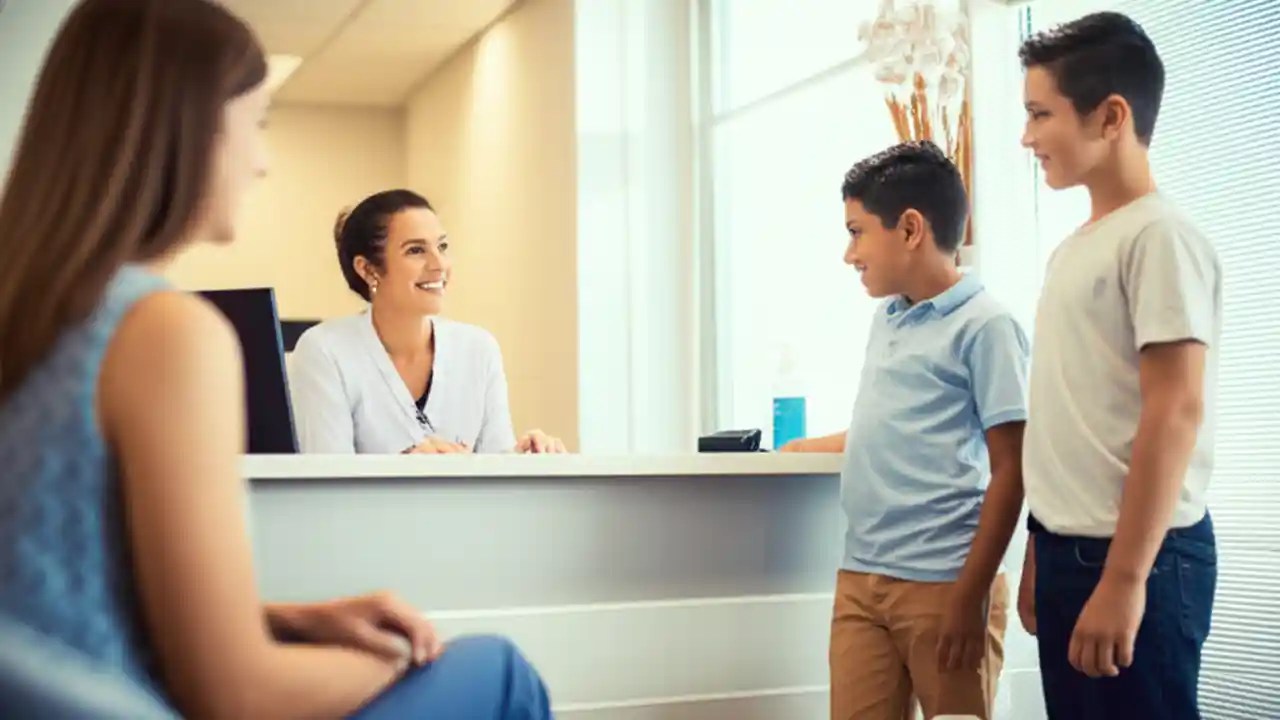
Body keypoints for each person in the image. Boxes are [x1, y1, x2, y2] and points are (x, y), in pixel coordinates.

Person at [0, 1, 551, 718]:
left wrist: (289, 620)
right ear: (187, 129)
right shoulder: (167, 333)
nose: (262, 162)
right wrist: (400, 662)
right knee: (499, 668)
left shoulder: (28, 315)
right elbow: (235, 694)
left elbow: (73, 589)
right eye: (255, 123)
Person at [1018, 12, 1220, 720]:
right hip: (1071, 555)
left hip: (1142, 562)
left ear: (1110, 117)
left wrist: (1125, 579)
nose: (1027, 136)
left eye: (1040, 114)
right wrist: (1042, 545)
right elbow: (1072, 414)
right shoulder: (1073, 249)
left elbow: (1176, 410)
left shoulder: (1160, 235)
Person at [794, 141, 1030, 720]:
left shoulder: (987, 327)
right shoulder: (888, 317)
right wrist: (798, 448)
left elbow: (1014, 469)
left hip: (945, 585)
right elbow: (890, 426)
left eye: (857, 231)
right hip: (861, 579)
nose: (850, 254)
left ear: (910, 228)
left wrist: (969, 597)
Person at [288, 189, 566, 455]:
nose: (439, 264)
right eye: (415, 251)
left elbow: (495, 468)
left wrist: (526, 455)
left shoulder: (479, 349)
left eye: (442, 246)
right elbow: (326, 482)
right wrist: (406, 469)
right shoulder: (325, 350)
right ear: (368, 268)